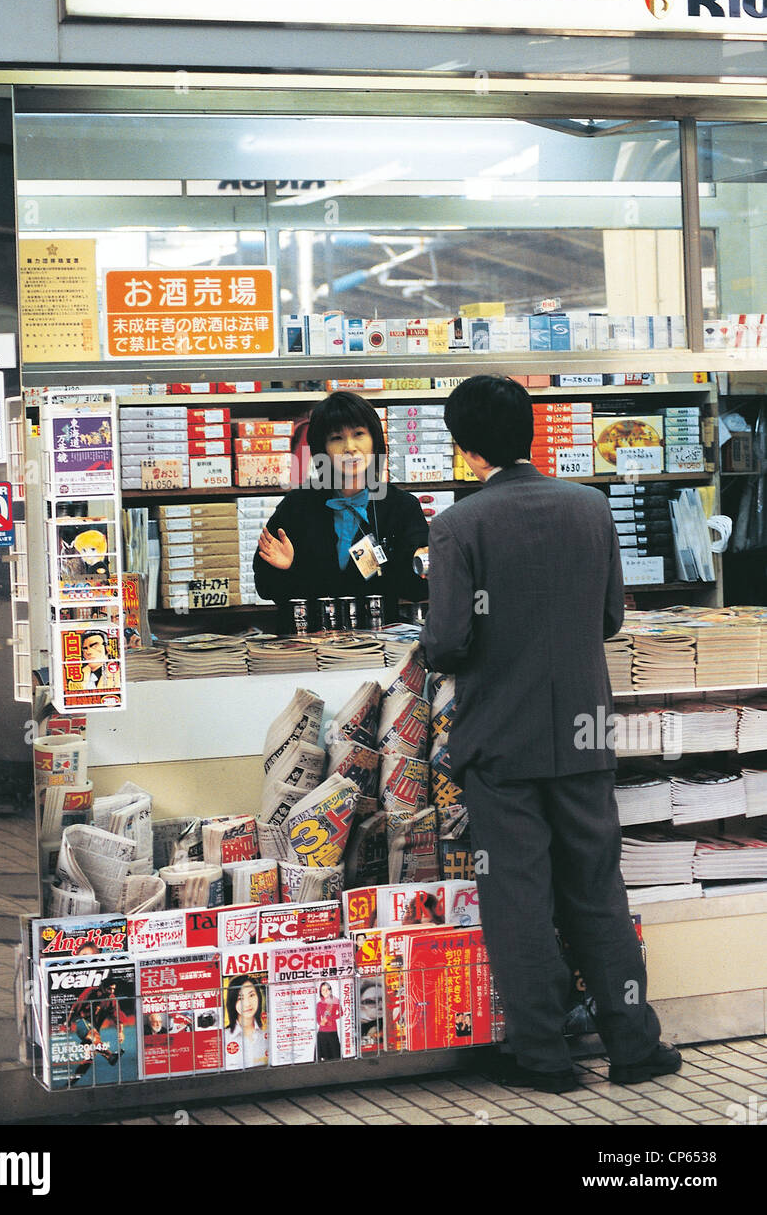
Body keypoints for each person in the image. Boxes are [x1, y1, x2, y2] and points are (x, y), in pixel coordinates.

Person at [420, 374, 680, 1094]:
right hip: (583, 733)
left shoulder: (458, 526)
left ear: (466, 450)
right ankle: (634, 1045)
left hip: (501, 744)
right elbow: (609, 620)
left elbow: (445, 645)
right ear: (530, 432)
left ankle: (544, 1056)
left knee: (519, 897)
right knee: (597, 887)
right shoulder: (591, 509)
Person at [254, 390, 429, 630]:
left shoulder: (401, 506)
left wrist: (423, 565)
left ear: (375, 440)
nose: (350, 448)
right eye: (336, 438)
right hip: (310, 647)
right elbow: (265, 589)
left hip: (376, 647)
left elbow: (417, 590)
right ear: (321, 448)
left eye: (359, 434)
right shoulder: (296, 506)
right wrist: (286, 569)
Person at [223, 975, 268, 1069]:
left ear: (258, 997)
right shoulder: (224, 1036)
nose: (247, 1004)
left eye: (251, 995)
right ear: (233, 1001)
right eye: (240, 998)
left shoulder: (268, 1031)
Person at [316, 981, 343, 1060]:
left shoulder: (335, 1001)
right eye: (323, 990)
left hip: (332, 1030)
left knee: (335, 1055)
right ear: (320, 992)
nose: (325, 991)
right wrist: (320, 1022)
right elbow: (317, 1016)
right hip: (322, 1031)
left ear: (330, 990)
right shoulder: (319, 1004)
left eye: (327, 989)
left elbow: (341, 1013)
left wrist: (330, 1018)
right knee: (322, 1056)